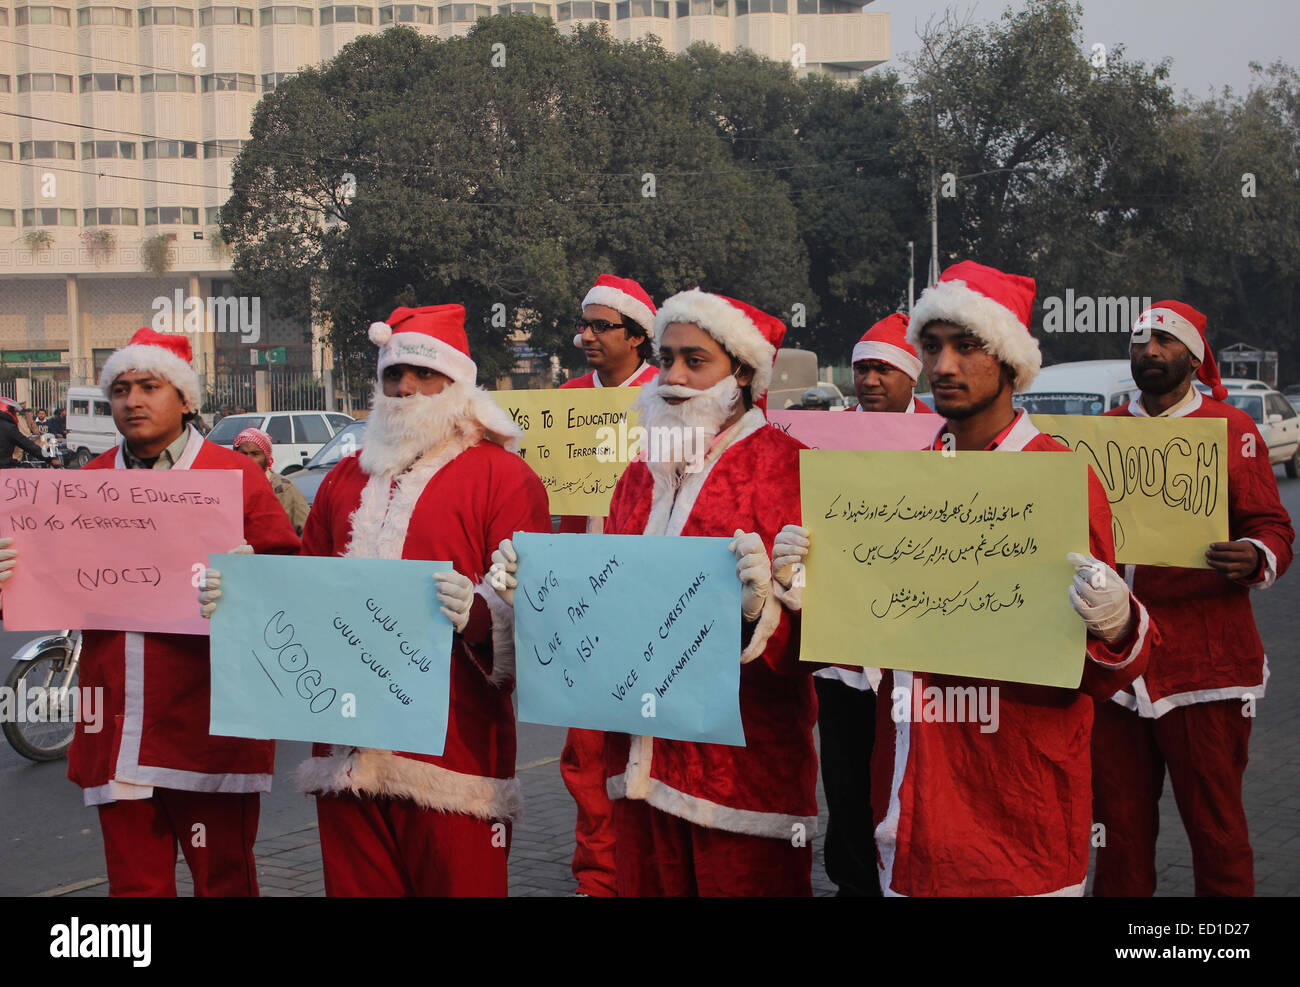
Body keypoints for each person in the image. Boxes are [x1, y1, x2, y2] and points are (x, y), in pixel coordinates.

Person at [774, 261, 1156, 896]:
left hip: (1019, 802)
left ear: (1009, 359)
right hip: (910, 807)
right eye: (932, 347)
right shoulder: (901, 485)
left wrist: (1116, 624)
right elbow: (860, 648)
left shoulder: (1060, 482)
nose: (944, 365)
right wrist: (806, 601)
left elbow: (1098, 672)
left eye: (966, 346)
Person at [208, 305, 551, 897]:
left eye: (424, 375)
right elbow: (305, 589)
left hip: (455, 754)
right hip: (346, 755)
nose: (405, 388)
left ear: (457, 385)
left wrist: (478, 617)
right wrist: (245, 593)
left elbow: (537, 616)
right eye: (394, 375)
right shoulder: (343, 479)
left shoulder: (505, 477)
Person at [496, 289, 816, 896]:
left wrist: (761, 614)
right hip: (638, 771)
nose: (672, 378)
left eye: (695, 361)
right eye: (666, 359)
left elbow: (827, 641)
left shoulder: (788, 466)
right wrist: (536, 596)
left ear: (742, 374)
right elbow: (608, 606)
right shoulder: (638, 475)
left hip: (741, 779)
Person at [0, 327, 300, 896]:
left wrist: (253, 574)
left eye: (148, 386)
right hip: (116, 720)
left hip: (209, 720)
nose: (132, 400)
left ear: (184, 398)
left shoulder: (235, 478)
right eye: (119, 389)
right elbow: (43, 585)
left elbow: (290, 584)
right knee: (134, 888)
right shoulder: (83, 486)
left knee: (226, 880)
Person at [1092, 300, 1294, 896]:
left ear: (1194, 355)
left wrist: (1257, 555)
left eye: (1165, 340)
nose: (1149, 350)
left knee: (1217, 828)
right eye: (1139, 340)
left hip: (1206, 662)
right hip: (1113, 664)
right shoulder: (1103, 430)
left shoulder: (1231, 429)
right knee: (1117, 830)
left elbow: (1274, 526)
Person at [806, 313, 937, 898]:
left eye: (884, 367)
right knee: (843, 773)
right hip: (840, 641)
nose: (870, 379)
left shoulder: (943, 436)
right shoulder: (821, 434)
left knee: (909, 774)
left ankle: (906, 875)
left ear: (912, 375)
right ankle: (852, 882)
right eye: (862, 367)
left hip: (914, 645)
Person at [556, 274, 660, 897]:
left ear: (638, 337)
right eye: (584, 325)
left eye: (602, 326)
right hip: (577, 599)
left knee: (647, 745)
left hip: (647, 599)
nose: (587, 336)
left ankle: (648, 865)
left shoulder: (668, 398)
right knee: (585, 751)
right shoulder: (565, 400)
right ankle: (598, 878)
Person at [850, 313, 939, 415]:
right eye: (862, 369)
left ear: (912, 378)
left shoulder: (937, 429)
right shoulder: (833, 427)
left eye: (883, 370)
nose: (870, 382)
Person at [234, 426, 310, 535]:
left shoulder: (283, 488)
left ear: (266, 457)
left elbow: (307, 532)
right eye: (243, 454)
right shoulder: (228, 487)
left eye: (255, 454)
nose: (248, 459)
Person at [0, 401, 56, 468]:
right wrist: (50, 459)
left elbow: (34, 429)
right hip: (5, 466)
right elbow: (28, 445)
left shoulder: (25, 417)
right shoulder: (9, 428)